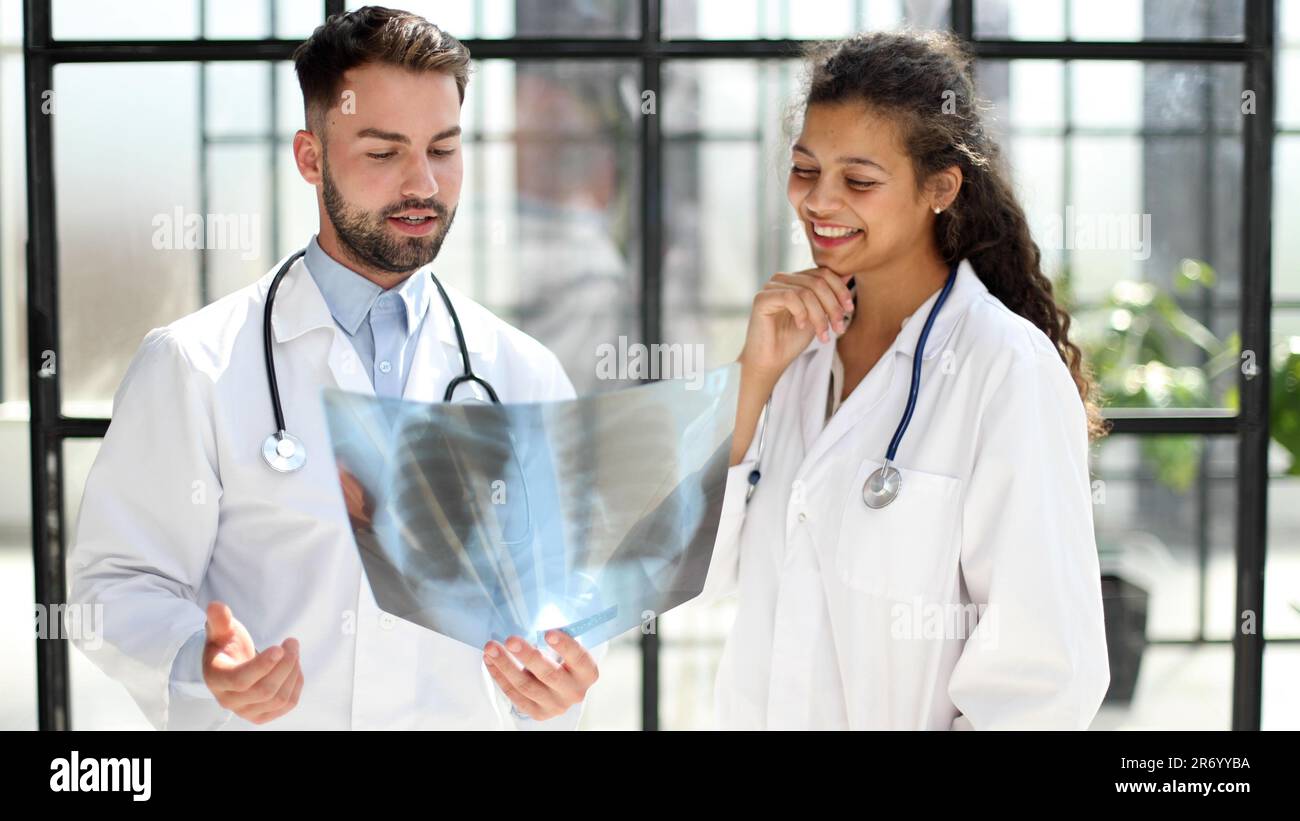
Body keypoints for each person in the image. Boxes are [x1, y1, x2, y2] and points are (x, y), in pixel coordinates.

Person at [67, 6, 598, 730]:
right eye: (384, 153)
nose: (423, 185)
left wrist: (551, 678)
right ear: (311, 156)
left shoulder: (520, 374)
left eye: (443, 150)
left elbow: (561, 599)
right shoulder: (195, 365)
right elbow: (113, 585)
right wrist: (199, 662)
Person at [703, 30, 1111, 730]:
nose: (820, 202)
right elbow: (694, 578)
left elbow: (1040, 682)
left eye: (859, 181)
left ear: (941, 187)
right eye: (805, 169)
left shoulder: (1005, 369)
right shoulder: (797, 351)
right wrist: (753, 376)